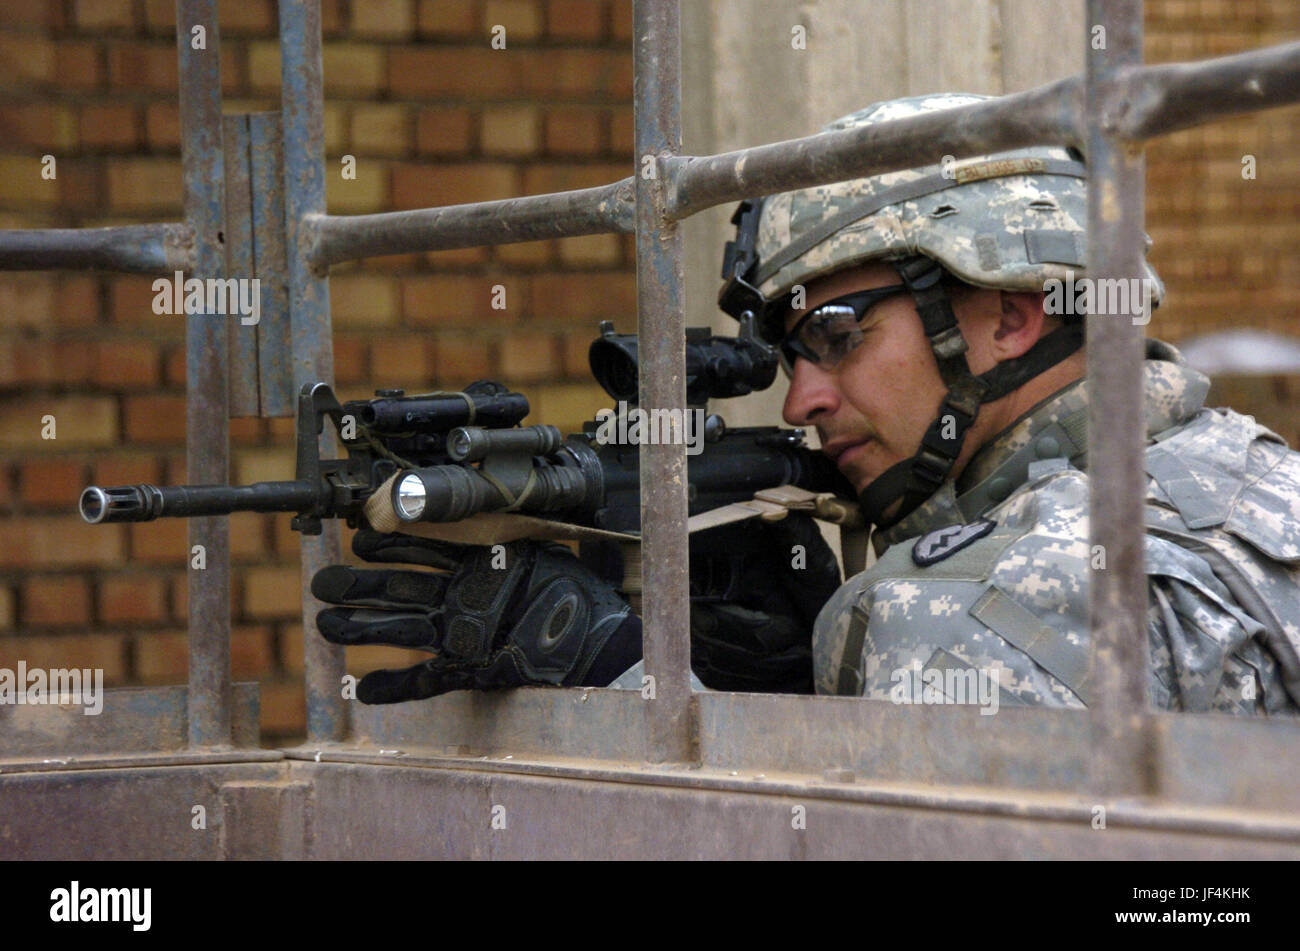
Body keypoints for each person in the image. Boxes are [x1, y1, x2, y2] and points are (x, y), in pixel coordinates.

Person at [314, 93, 1300, 715]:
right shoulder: (1258, 477)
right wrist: (800, 695)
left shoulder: (951, 611)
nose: (801, 398)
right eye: (789, 353)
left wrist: (622, 680)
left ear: (1010, 316)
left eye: (836, 336)